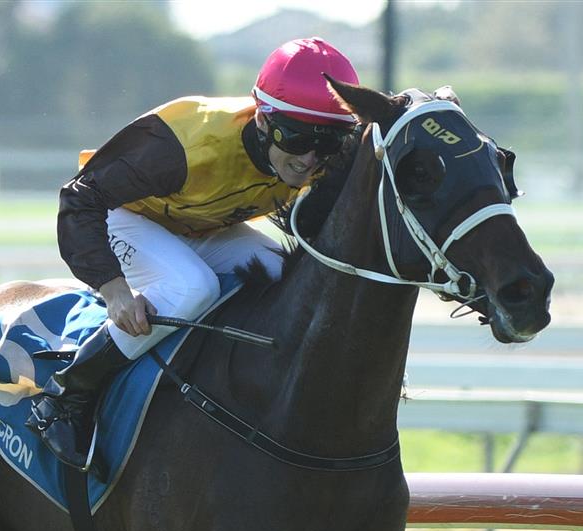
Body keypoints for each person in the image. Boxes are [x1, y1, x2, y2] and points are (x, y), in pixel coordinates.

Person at [26, 37, 361, 471]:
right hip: (119, 214)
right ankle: (67, 394)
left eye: (330, 142)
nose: (311, 160)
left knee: (288, 275)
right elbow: (80, 198)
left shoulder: (315, 157)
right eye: (296, 138)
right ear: (263, 119)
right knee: (191, 286)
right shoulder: (184, 144)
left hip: (198, 224)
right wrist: (115, 291)